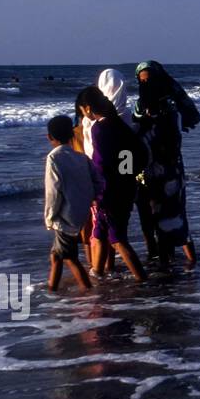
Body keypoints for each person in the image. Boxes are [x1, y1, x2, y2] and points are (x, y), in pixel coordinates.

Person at [76, 87, 148, 281]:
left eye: (82, 110)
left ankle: (143, 280)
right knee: (99, 233)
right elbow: (141, 155)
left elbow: (101, 164)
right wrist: (128, 175)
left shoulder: (100, 128)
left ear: (88, 108)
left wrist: (95, 191)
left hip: (109, 192)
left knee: (117, 239)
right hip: (126, 187)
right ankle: (97, 275)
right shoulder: (120, 125)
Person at [134, 61, 199, 269]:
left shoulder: (164, 106)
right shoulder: (168, 105)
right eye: (142, 80)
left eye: (149, 79)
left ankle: (166, 265)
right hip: (162, 169)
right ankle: (172, 261)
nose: (146, 83)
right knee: (164, 214)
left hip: (164, 169)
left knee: (167, 214)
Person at [44, 115, 99, 293]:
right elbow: (96, 182)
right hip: (80, 213)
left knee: (69, 257)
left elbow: (53, 192)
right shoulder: (81, 157)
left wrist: (50, 217)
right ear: (71, 135)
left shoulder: (53, 158)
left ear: (50, 137)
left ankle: (88, 290)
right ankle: (52, 288)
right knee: (57, 255)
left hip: (63, 216)